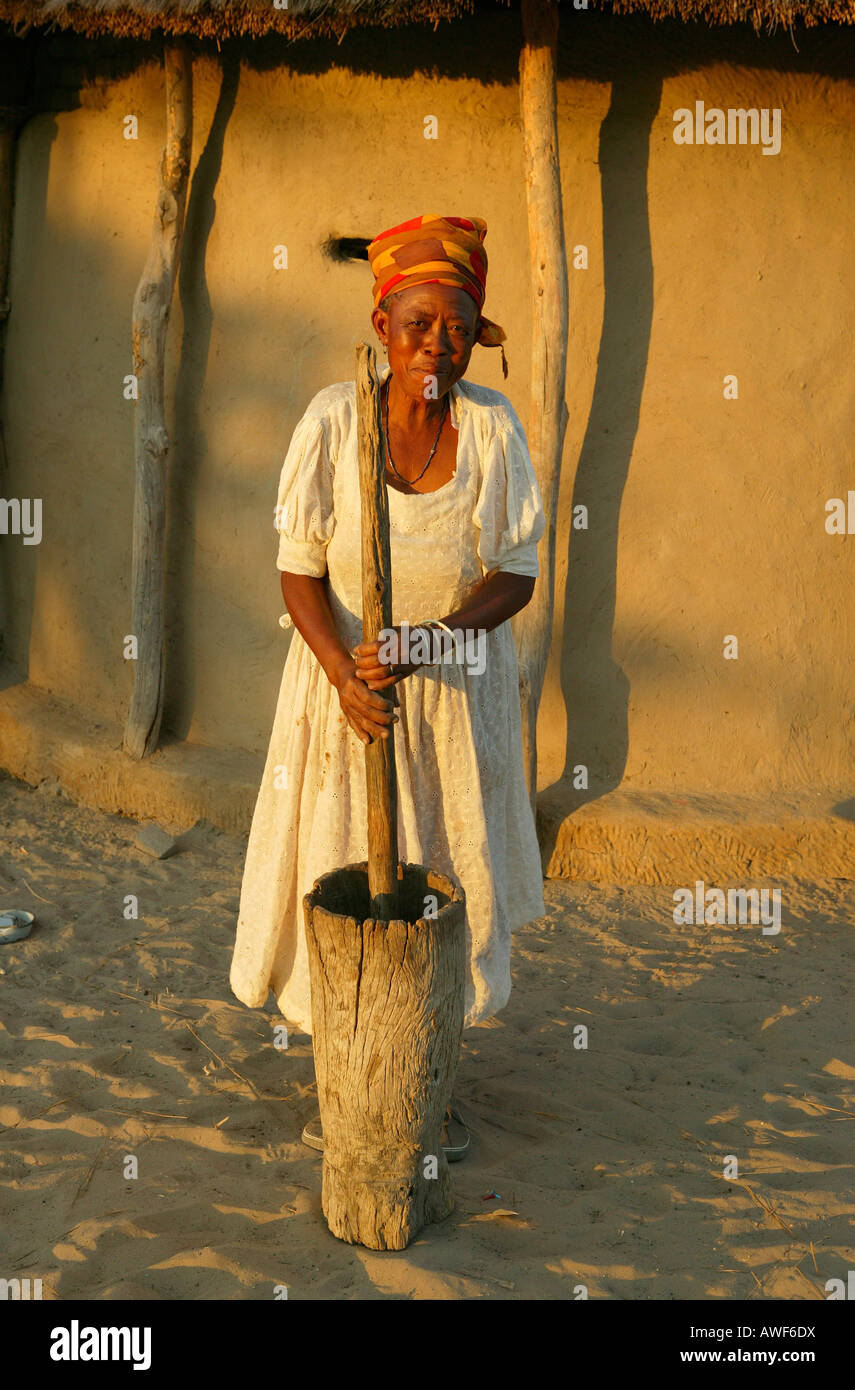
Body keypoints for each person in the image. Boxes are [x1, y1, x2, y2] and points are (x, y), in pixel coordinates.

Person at [230, 214, 546, 1160]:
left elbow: (517, 569)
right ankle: (351, 1084)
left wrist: (431, 640)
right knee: (344, 876)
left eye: (454, 327)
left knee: (443, 882)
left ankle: (423, 1080)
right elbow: (296, 568)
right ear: (381, 325)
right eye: (418, 325)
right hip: (347, 696)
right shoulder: (336, 419)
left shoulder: (490, 427)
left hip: (450, 695)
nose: (435, 346)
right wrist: (345, 673)